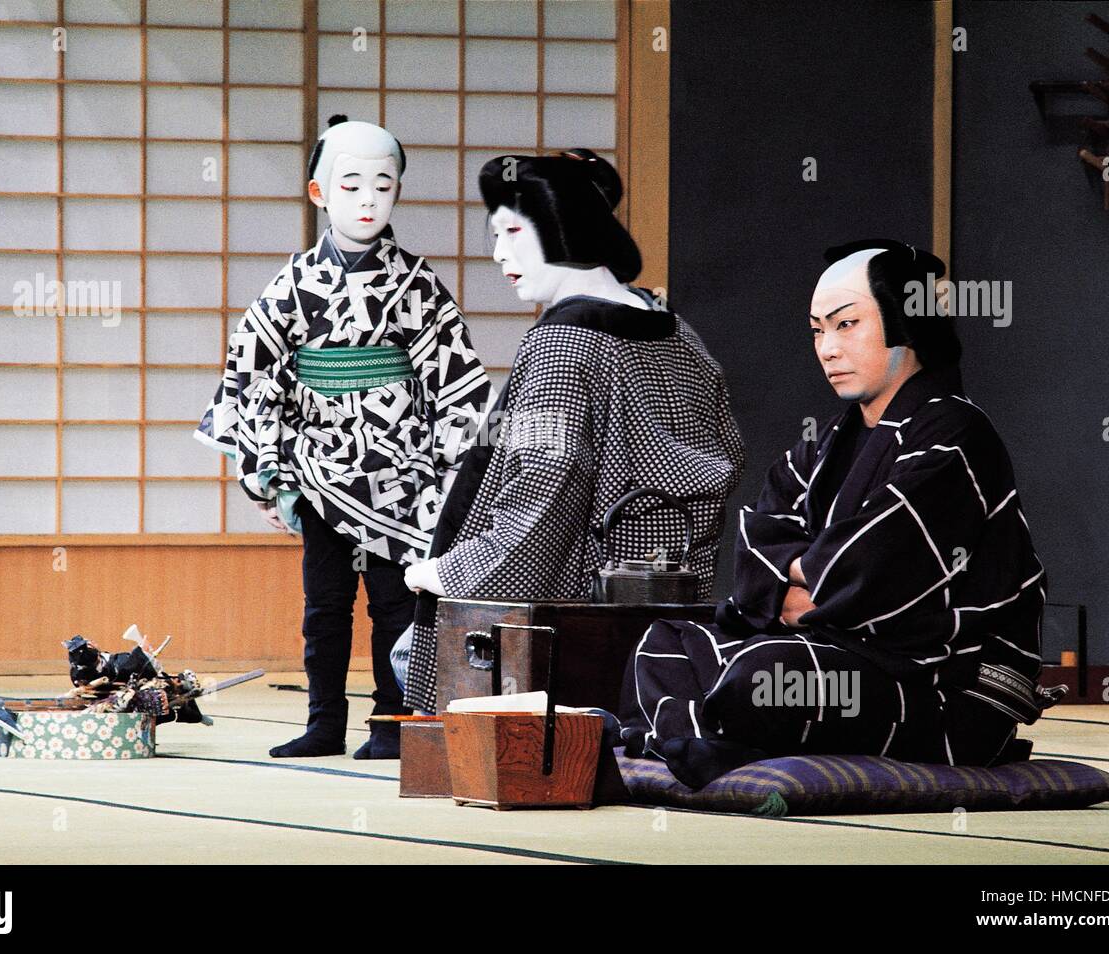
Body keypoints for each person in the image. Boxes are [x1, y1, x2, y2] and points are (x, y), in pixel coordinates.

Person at [619, 240, 1061, 789]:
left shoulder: (955, 433)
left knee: (765, 675)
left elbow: (881, 562)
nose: (827, 348)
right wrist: (817, 584)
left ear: (905, 322)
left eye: (846, 324)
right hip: (842, 655)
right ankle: (708, 741)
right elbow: (759, 535)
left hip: (945, 683)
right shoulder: (827, 441)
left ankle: (692, 738)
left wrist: (806, 587)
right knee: (664, 641)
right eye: (816, 330)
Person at [398, 148, 746, 715]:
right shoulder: (679, 332)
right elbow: (726, 450)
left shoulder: (562, 342)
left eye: (513, 231)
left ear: (565, 223)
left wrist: (448, 569)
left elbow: (547, 483)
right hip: (669, 601)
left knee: (411, 655)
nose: (499, 254)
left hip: (570, 606)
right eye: (494, 236)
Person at [196, 116, 492, 759]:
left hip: (401, 468)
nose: (366, 199)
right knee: (324, 606)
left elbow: (456, 380)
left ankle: (394, 722)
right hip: (317, 465)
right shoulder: (292, 285)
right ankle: (323, 722)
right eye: (350, 184)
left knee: (396, 602)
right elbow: (255, 374)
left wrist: (449, 477)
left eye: (382, 186)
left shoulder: (418, 286)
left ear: (397, 195)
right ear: (317, 192)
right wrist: (265, 475)